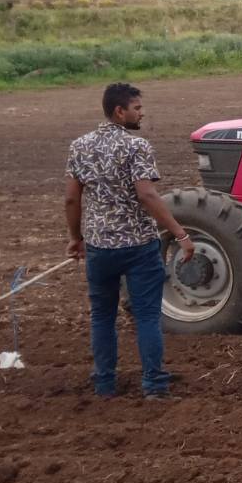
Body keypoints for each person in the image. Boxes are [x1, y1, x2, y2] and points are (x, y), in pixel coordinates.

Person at [65, 83, 195, 399]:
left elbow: (71, 199)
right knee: (148, 316)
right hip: (138, 246)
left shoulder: (80, 146)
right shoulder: (136, 147)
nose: (142, 113)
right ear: (119, 111)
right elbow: (147, 194)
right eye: (137, 108)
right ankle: (154, 386)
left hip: (99, 248)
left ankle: (105, 384)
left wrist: (76, 238)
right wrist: (180, 234)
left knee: (102, 317)